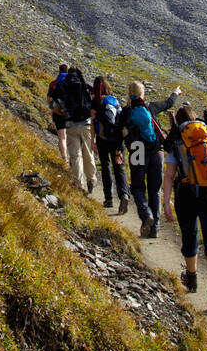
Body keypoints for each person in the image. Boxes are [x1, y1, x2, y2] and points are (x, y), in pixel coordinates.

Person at [162, 104, 207, 313]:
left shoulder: (177, 140)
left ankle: (192, 279)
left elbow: (169, 174)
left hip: (186, 194)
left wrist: (166, 202)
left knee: (190, 237)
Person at [122, 81, 181, 238]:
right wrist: (176, 92)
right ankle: (154, 227)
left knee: (137, 187)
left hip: (137, 150)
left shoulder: (126, 111)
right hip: (156, 151)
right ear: (143, 93)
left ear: (130, 93)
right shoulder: (151, 107)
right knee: (155, 190)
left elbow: (118, 131)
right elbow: (168, 103)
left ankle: (145, 214)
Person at [91, 76, 129, 215]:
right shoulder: (115, 101)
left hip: (103, 140)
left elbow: (93, 123)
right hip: (118, 141)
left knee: (106, 166)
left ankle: (108, 199)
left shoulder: (96, 102)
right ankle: (124, 195)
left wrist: (92, 141)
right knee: (119, 167)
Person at [58, 65, 96, 193]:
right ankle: (92, 179)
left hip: (70, 125)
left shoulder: (63, 86)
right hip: (85, 124)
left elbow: (55, 105)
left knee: (75, 156)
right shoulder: (84, 85)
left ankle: (80, 185)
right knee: (88, 152)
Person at [47, 64, 69, 161]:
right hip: (70, 113)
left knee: (62, 137)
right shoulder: (72, 83)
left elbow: (48, 99)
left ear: (59, 71)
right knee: (71, 136)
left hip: (57, 112)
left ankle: (64, 158)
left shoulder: (53, 83)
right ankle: (74, 158)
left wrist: (53, 108)